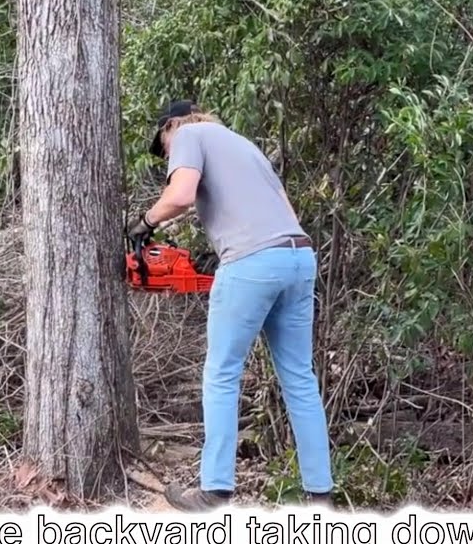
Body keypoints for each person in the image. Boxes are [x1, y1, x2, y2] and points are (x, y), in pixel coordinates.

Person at [125, 99, 336, 511]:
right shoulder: (244, 146)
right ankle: (320, 497)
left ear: (171, 126)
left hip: (252, 262)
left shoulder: (188, 134)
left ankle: (214, 490)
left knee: (221, 374)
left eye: (162, 146)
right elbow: (286, 211)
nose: (167, 154)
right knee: (300, 379)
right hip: (298, 256)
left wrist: (145, 222)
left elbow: (181, 194)